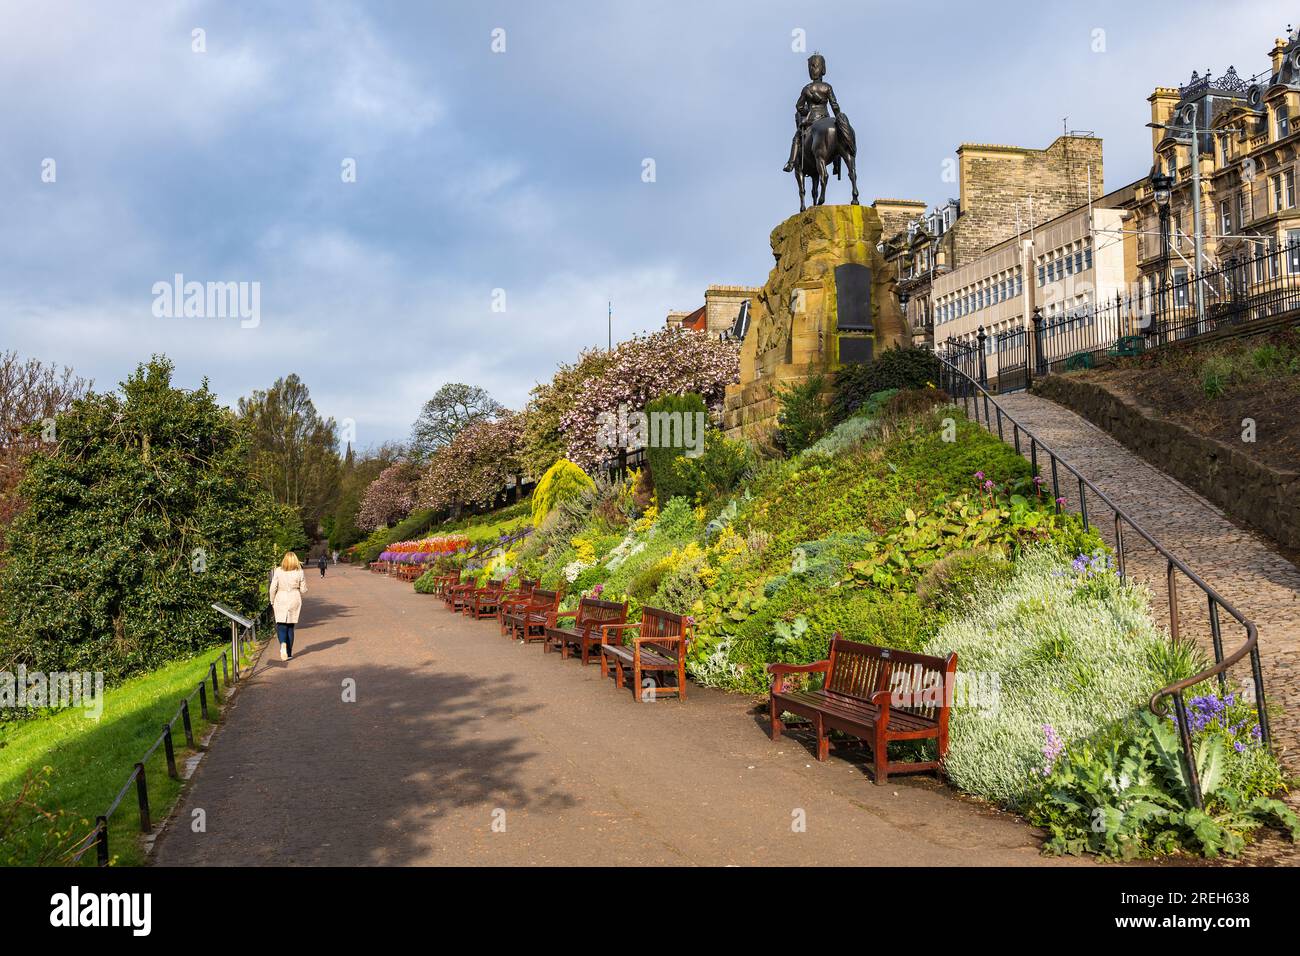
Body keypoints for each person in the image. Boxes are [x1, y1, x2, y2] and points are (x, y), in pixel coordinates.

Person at [783, 53, 841, 172]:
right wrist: (838, 117)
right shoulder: (827, 87)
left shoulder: (807, 89)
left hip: (812, 120)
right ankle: (836, 165)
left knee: (797, 138)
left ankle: (791, 163)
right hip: (826, 117)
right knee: (838, 135)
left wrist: (807, 111)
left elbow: (798, 106)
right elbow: (834, 105)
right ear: (823, 69)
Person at [269, 551, 308, 662]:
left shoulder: (278, 571)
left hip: (281, 597)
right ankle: (289, 653)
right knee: (290, 627)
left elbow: (273, 588)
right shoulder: (299, 572)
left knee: (281, 625)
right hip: (294, 598)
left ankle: (283, 644)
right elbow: (304, 590)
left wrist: (272, 601)